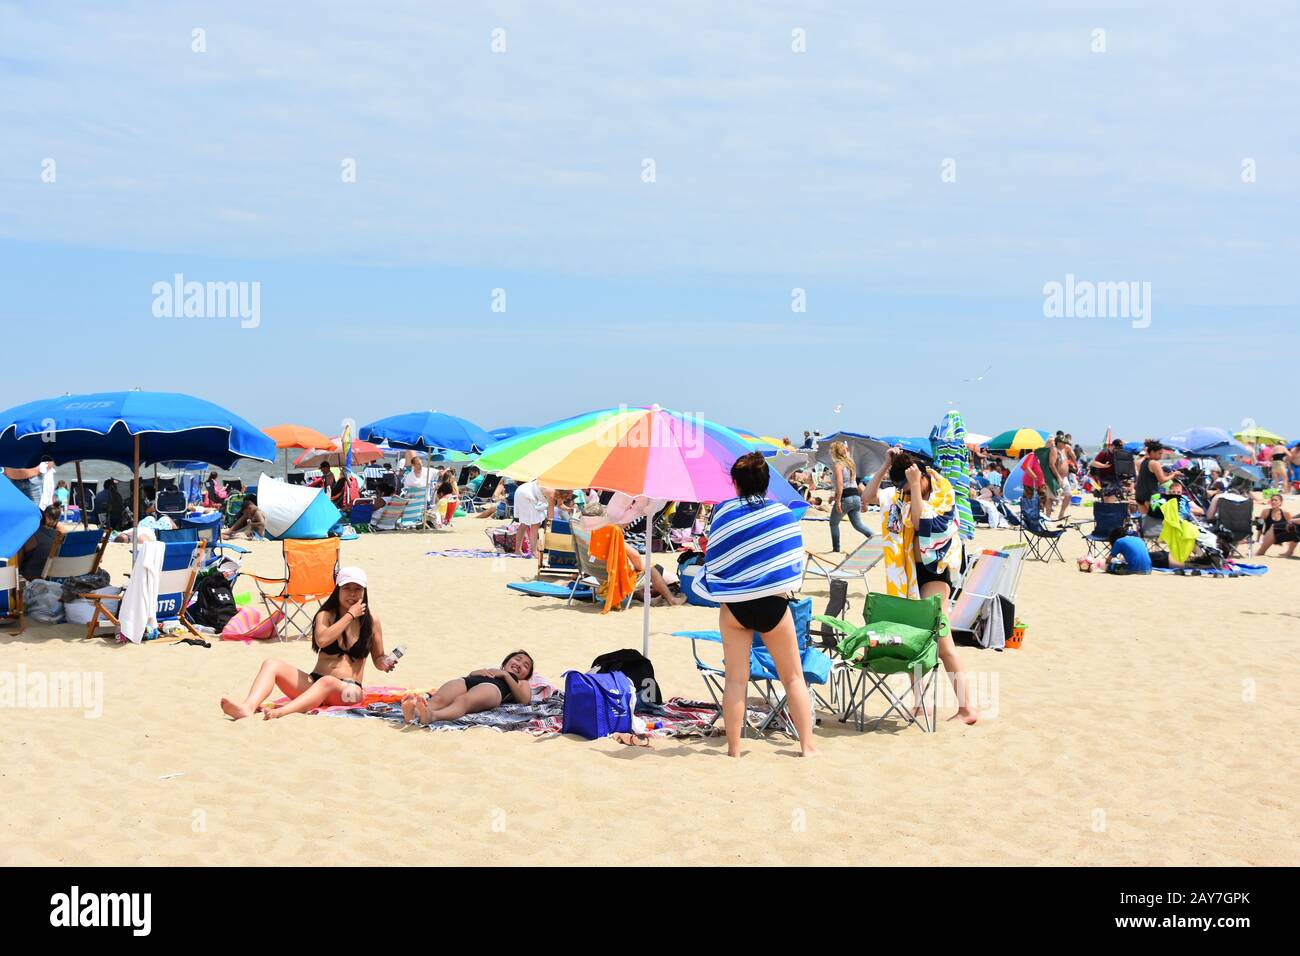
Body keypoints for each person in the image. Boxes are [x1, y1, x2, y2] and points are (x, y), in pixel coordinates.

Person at [690, 452, 816, 757]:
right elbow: (791, 556)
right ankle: (808, 747)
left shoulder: (722, 512)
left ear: (735, 483)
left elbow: (717, 554)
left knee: (735, 680)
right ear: (767, 482)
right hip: (772, 604)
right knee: (793, 677)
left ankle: (734, 749)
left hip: (734, 606)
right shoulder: (781, 513)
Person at [863, 447, 976, 724]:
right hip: (909, 575)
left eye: (910, 483)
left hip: (935, 573)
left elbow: (920, 522)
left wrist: (915, 486)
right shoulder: (900, 495)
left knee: (942, 640)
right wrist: (886, 465)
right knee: (913, 640)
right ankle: (919, 704)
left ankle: (966, 708)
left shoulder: (942, 495)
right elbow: (867, 497)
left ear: (922, 475)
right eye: (900, 486)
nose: (903, 490)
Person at [220, 567, 394, 720]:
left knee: (328, 682)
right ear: (338, 590)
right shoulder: (325, 615)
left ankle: (283, 711)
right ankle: (247, 707)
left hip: (349, 691)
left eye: (358, 589)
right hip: (313, 683)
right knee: (271, 664)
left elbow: (378, 658)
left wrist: (385, 662)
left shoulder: (372, 621)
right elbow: (323, 640)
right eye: (347, 588)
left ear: (364, 592)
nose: (352, 594)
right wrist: (349, 616)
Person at [399, 650, 535, 725]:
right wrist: (475, 673)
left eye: (526, 665)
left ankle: (432, 716)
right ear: (505, 662)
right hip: (470, 680)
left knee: (463, 700)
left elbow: (524, 700)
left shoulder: (521, 682)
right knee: (439, 698)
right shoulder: (493, 669)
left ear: (527, 675)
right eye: (517, 659)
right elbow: (471, 676)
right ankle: (414, 713)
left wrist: (506, 676)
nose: (520, 664)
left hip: (493, 689)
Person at [827, 440, 873, 552]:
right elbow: (853, 484)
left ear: (835, 453)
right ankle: (874, 537)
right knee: (858, 525)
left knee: (833, 523)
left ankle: (836, 549)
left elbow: (840, 484)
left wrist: (837, 501)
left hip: (845, 498)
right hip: (856, 497)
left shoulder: (838, 465)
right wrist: (864, 502)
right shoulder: (851, 464)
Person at [18, 505, 65, 581]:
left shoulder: (31, 536)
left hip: (33, 577)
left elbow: (18, 563)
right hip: (53, 577)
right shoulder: (59, 536)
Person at [1135, 439, 1180, 514]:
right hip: (1150, 495)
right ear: (1152, 452)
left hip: (1140, 494)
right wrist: (1174, 475)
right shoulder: (1154, 463)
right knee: (1154, 521)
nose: (1161, 456)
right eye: (1160, 453)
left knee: (1145, 521)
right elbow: (1162, 480)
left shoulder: (1143, 462)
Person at [513, 478, 546, 559]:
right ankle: (534, 552)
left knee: (524, 523)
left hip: (521, 491)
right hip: (527, 494)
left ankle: (518, 550)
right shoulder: (553, 490)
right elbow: (551, 515)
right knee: (535, 524)